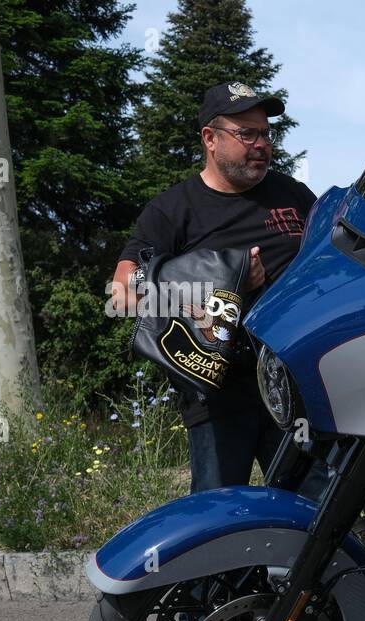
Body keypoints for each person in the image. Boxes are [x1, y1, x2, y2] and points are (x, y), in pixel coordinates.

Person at [112, 81, 317, 492]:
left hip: (296, 383)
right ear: (210, 138)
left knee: (316, 514)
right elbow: (123, 292)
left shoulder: (292, 195)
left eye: (265, 133)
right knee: (219, 520)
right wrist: (222, 282)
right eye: (247, 134)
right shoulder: (172, 210)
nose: (261, 144)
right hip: (218, 392)